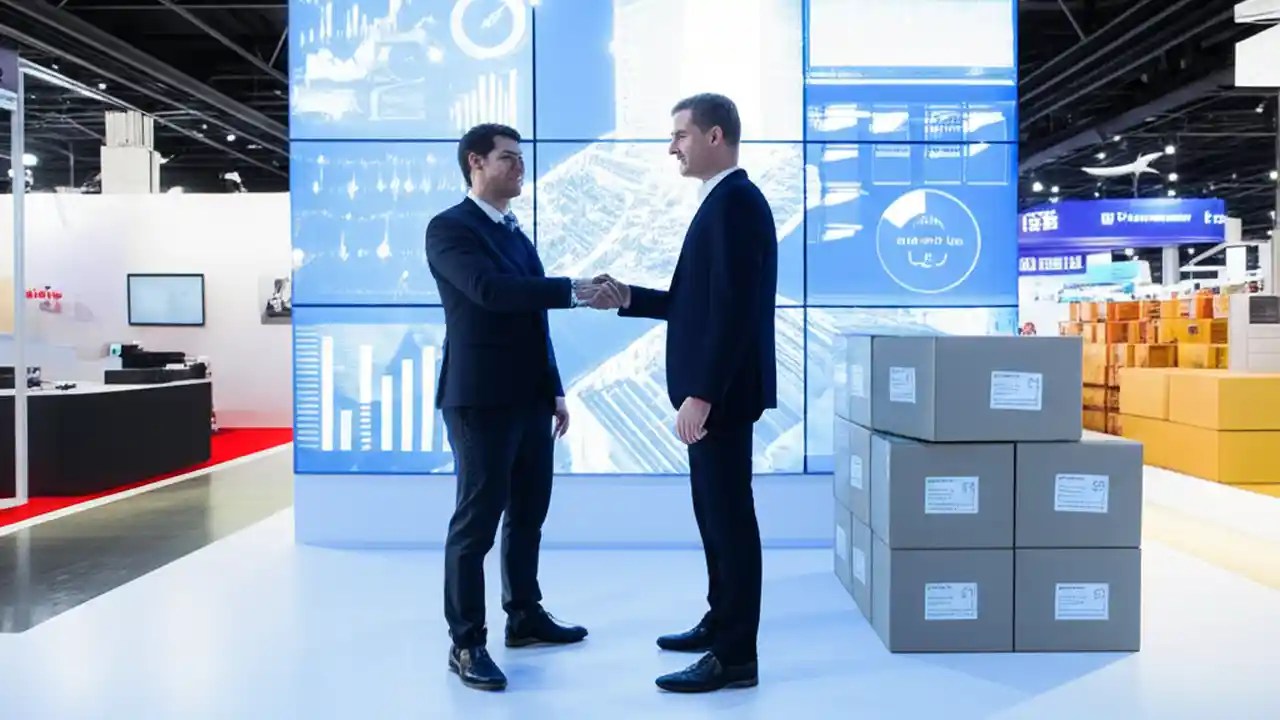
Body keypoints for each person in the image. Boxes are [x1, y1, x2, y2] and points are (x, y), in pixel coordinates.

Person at [584, 93, 778, 693]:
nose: (672, 147)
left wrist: (702, 393)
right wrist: (630, 298)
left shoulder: (736, 204)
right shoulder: (721, 202)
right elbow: (698, 304)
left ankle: (735, 656)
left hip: (718, 396)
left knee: (729, 522)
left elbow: (735, 313)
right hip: (714, 393)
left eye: (681, 135)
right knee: (714, 519)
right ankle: (720, 623)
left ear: (715, 136)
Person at [425, 123, 592, 692]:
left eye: (521, 158)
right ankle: (466, 642)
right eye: (508, 158)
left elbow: (532, 318)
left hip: (527, 399)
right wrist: (575, 287)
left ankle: (524, 616)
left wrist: (554, 388)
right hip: (479, 401)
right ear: (476, 163)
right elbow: (491, 292)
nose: (520, 167)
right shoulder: (449, 229)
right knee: (475, 526)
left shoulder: (518, 235)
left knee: (528, 514)